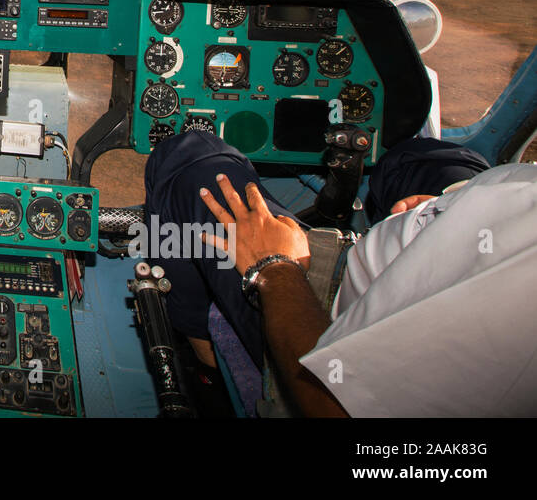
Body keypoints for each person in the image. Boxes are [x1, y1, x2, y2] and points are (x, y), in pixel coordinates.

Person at [145, 129, 536, 416]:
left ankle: (207, 357)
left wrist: (273, 267)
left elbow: (332, 399)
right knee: (427, 158)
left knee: (194, 158)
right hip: (413, 269)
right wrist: (448, 208)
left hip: (329, 323)